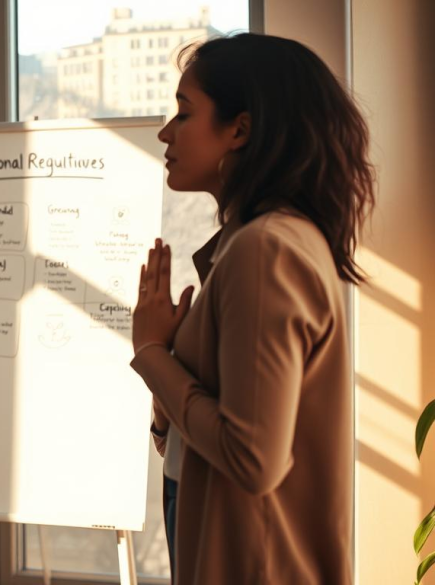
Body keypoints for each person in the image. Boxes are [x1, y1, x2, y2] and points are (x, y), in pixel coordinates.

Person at [130, 34, 374, 584]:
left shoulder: (265, 250)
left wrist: (150, 353)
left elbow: (252, 458)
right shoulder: (248, 245)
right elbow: (199, 443)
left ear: (239, 129)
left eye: (184, 113)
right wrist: (167, 383)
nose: (166, 132)